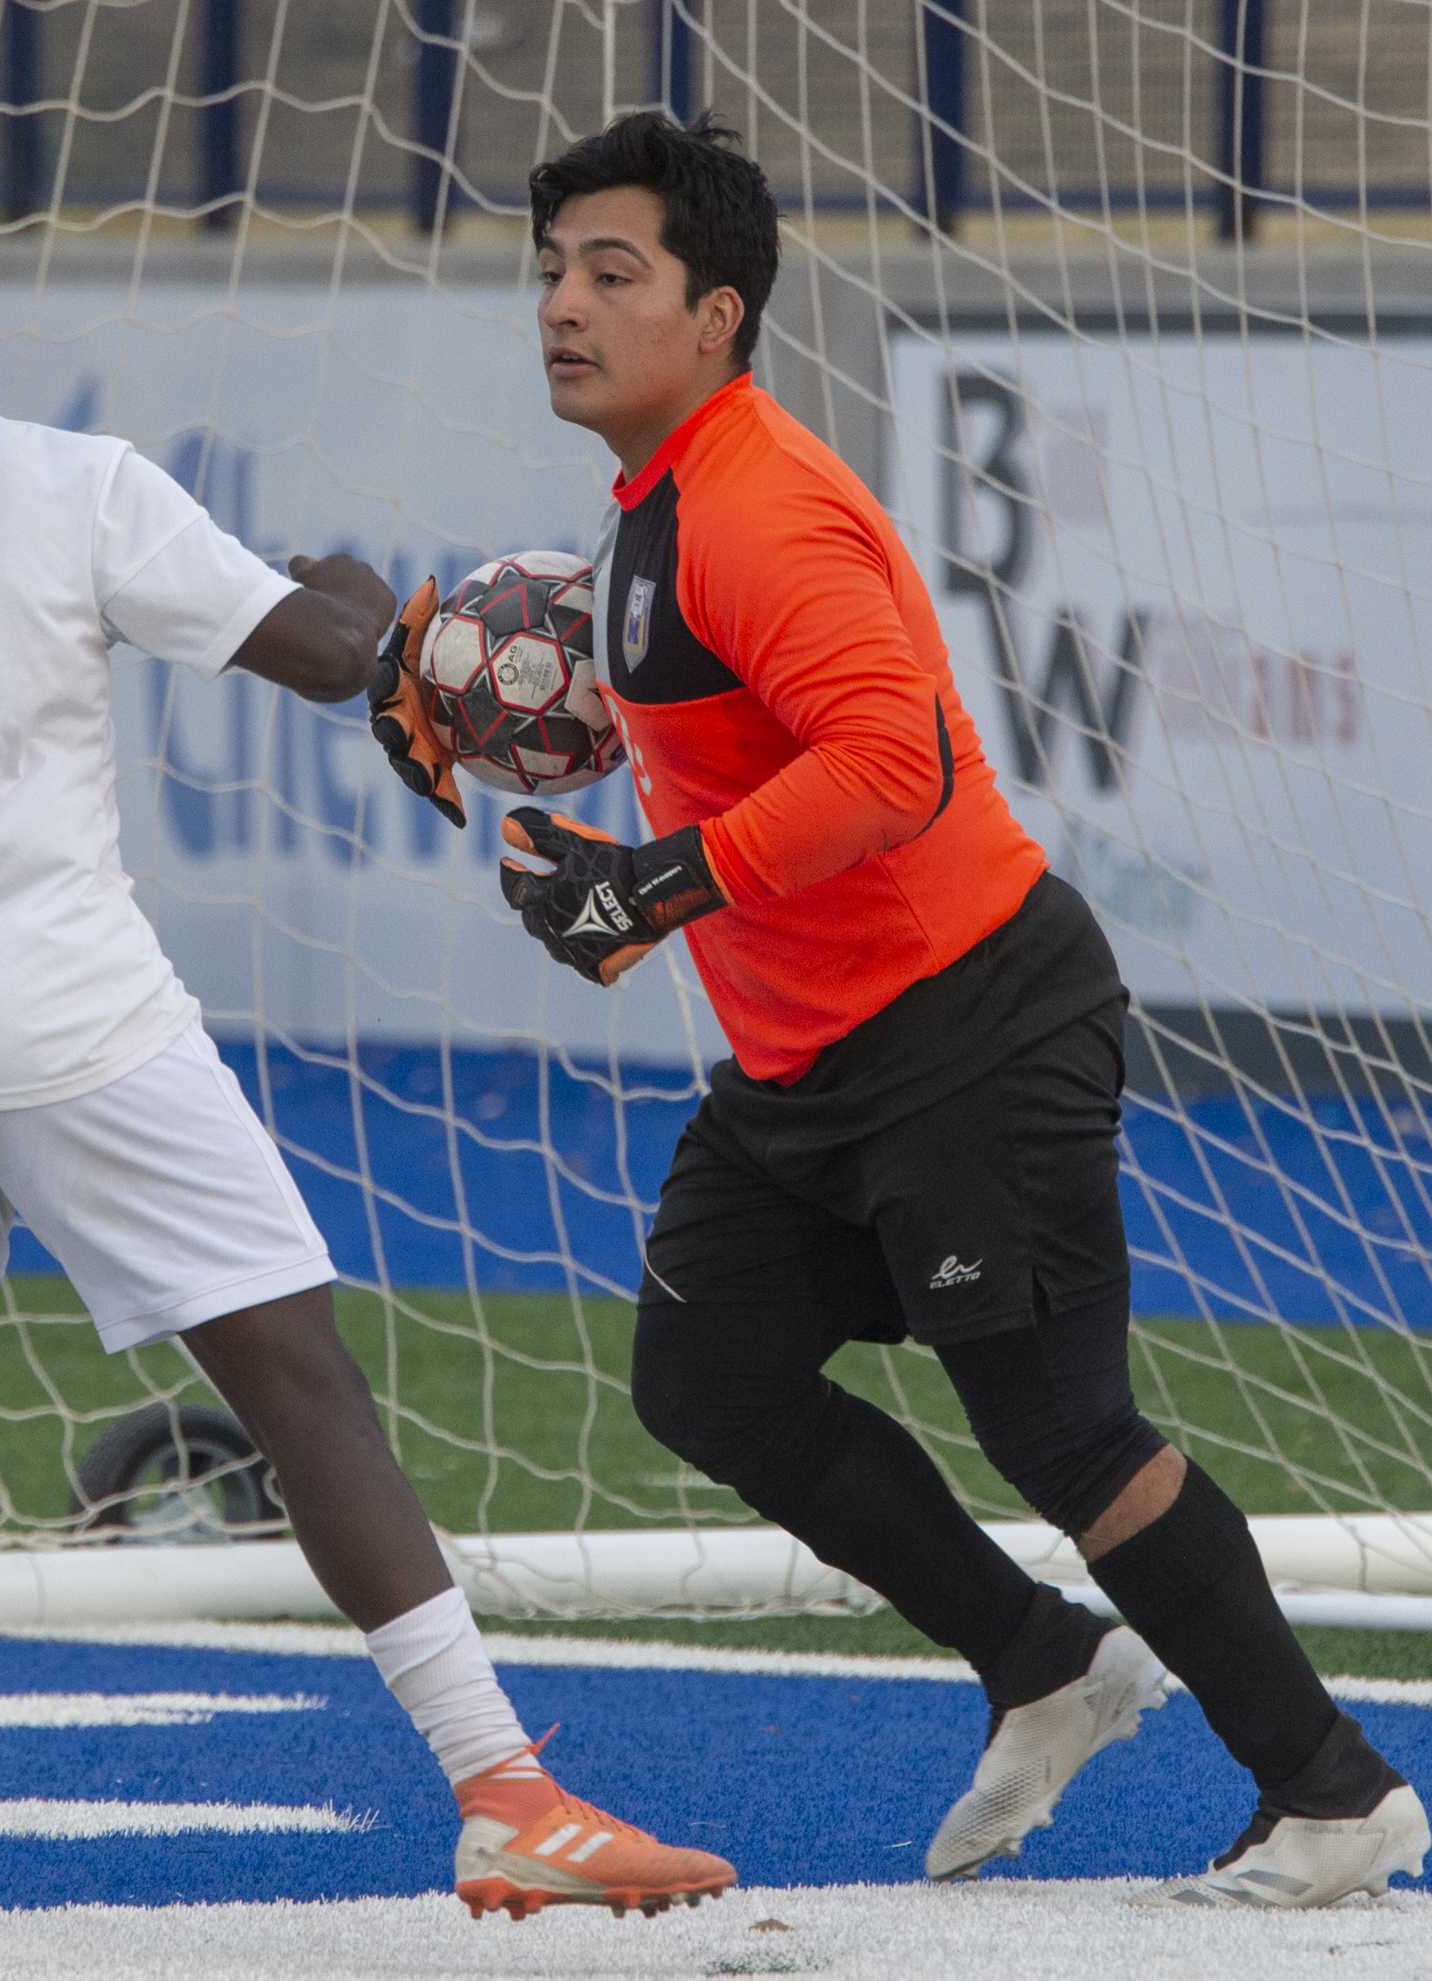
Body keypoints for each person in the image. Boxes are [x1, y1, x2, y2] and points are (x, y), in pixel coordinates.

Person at [0, 177, 733, 1969]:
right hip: (77, 1014)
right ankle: (506, 1790)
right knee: (296, 1379)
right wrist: (360, 596)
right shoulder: (75, 481)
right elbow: (336, 656)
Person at [370, 111, 1427, 1909]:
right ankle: (1042, 1659)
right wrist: (430, 682)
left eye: (612, 273)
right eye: (551, 268)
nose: (564, 302)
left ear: (718, 313)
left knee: (1062, 1428)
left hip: (968, 1028)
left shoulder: (756, 508)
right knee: (706, 1375)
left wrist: (651, 885)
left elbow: (894, 763)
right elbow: (728, 733)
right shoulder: (652, 504)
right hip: (809, 1062)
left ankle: (1336, 1795)